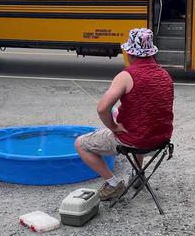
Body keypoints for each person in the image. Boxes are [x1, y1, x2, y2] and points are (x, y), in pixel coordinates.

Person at [74, 28, 174, 200]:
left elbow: (101, 108)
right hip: (161, 140)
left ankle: (112, 184)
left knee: (80, 144)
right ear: (151, 53)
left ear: (129, 53)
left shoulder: (126, 76)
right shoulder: (165, 75)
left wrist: (113, 127)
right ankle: (138, 176)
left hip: (135, 141)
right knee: (126, 117)